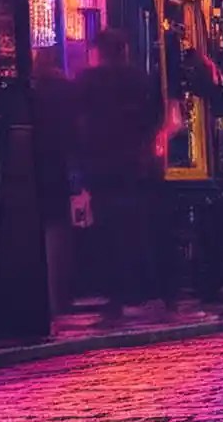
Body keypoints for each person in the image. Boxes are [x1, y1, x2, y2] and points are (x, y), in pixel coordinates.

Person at [71, 29, 168, 321]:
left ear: (100, 51)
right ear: (123, 50)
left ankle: (114, 294)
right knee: (136, 228)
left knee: (106, 229)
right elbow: (156, 117)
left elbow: (78, 122)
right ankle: (140, 290)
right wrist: (142, 145)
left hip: (100, 166)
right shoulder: (140, 81)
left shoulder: (87, 82)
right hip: (133, 166)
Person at [32, 49, 76, 319]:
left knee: (47, 227)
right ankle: (61, 295)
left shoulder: (32, 91)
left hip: (37, 163)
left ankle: (51, 296)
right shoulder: (66, 90)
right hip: (61, 163)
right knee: (60, 229)